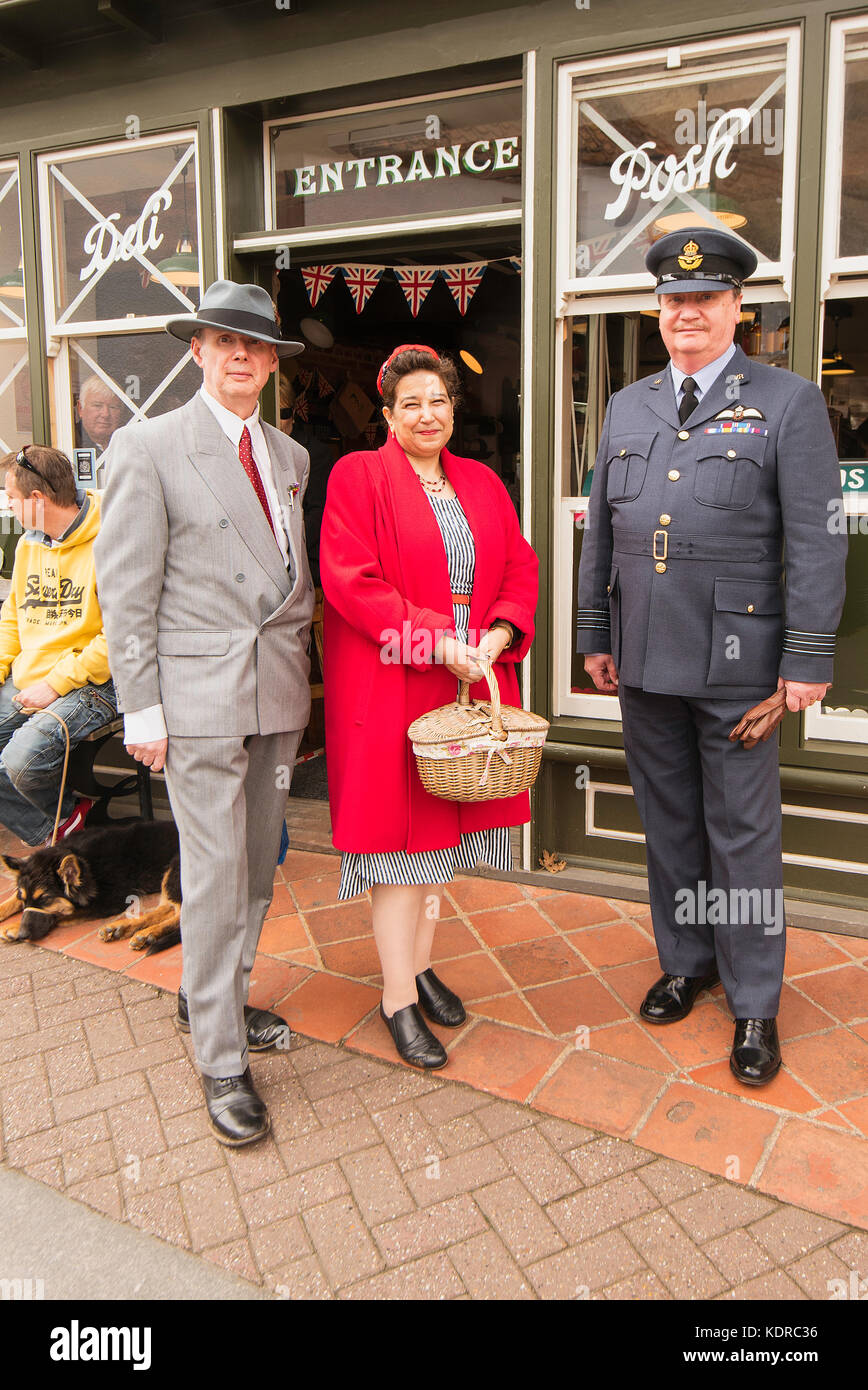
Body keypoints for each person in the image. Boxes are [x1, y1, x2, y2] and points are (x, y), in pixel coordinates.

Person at [577, 227, 847, 1086]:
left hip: (739, 661)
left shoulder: (789, 402)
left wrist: (805, 656)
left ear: (738, 308)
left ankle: (756, 1001)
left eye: (705, 298)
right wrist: (595, 637)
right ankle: (688, 960)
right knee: (669, 824)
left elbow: (817, 540)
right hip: (646, 657)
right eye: (672, 300)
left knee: (742, 833)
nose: (686, 312)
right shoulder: (628, 405)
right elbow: (603, 533)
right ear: (658, 311)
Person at [94, 280, 314, 1146]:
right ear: (197, 350)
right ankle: (221, 1055)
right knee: (218, 874)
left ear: (270, 364)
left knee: (259, 866)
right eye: (223, 341)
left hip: (277, 694)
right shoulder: (148, 447)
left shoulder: (290, 457)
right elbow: (126, 590)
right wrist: (140, 707)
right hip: (193, 703)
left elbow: (287, 575)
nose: (239, 357)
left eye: (255, 347)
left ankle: (207, 996)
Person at [320, 344, 538, 1069]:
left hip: (462, 679)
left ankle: (415, 966)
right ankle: (395, 999)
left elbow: (517, 565)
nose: (426, 414)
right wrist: (440, 638)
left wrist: (500, 629)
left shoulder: (478, 481)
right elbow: (351, 582)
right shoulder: (359, 477)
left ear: (454, 407)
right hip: (391, 680)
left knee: (439, 842)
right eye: (409, 403)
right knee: (399, 848)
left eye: (438, 401)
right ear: (386, 414)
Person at [0, 445, 116, 846]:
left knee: (21, 760)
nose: (8, 506)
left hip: (95, 681)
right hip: (30, 678)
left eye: (10, 498)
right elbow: (13, 617)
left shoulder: (110, 539)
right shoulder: (28, 543)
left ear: (36, 500)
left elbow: (120, 635)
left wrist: (55, 684)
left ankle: (65, 828)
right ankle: (62, 827)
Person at [75, 375, 126, 455]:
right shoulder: (70, 440)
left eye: (113, 407)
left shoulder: (128, 442)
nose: (105, 414)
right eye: (97, 405)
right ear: (80, 408)